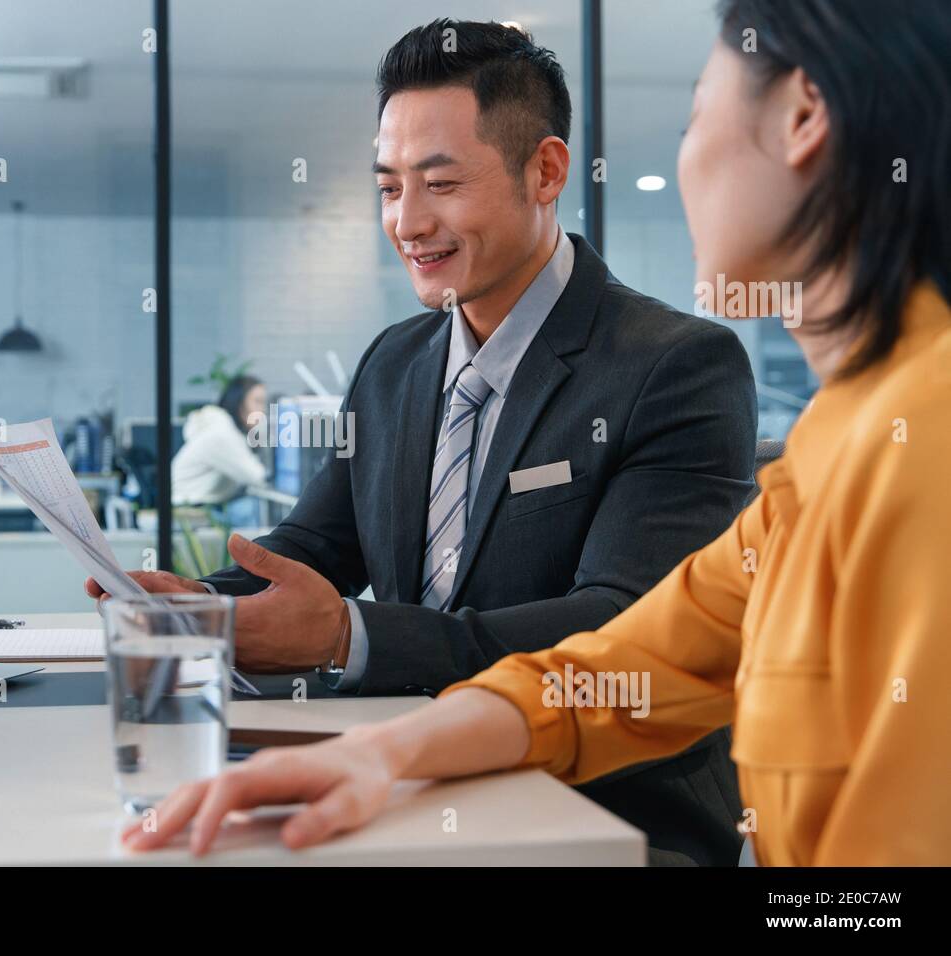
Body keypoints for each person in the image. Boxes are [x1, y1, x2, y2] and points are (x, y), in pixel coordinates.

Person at [119, 0, 951, 865]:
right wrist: (376, 753)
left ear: (804, 117)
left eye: (696, 113)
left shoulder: (917, 446)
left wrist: (349, 645)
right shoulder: (830, 454)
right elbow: (614, 669)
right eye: (391, 187)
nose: (407, 221)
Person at [171, 375, 268, 527]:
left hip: (202, 506)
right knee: (250, 508)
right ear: (239, 403)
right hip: (191, 512)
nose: (261, 411)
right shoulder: (222, 434)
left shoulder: (225, 429)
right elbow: (257, 477)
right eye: (257, 402)